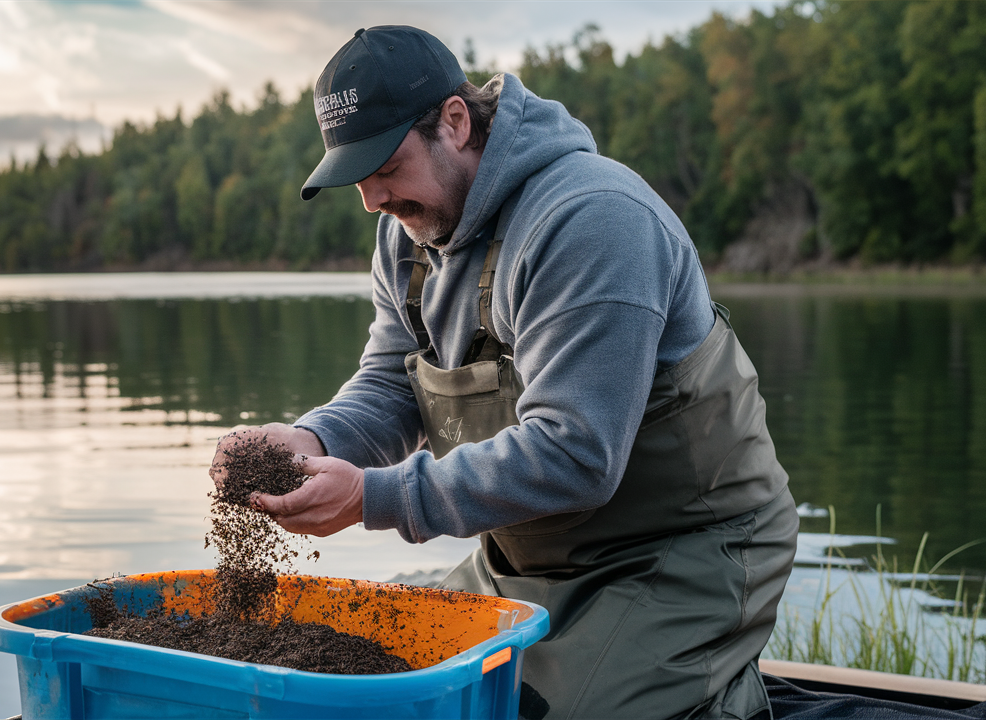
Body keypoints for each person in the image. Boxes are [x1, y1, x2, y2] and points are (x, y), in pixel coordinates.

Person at [211, 25, 798, 720]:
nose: (372, 199)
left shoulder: (592, 219)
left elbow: (576, 454)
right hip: (524, 555)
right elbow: (391, 384)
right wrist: (310, 443)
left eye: (386, 166)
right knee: (403, 686)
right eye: (356, 177)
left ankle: (726, 698)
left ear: (456, 122)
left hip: (683, 550)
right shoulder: (407, 232)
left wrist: (373, 497)